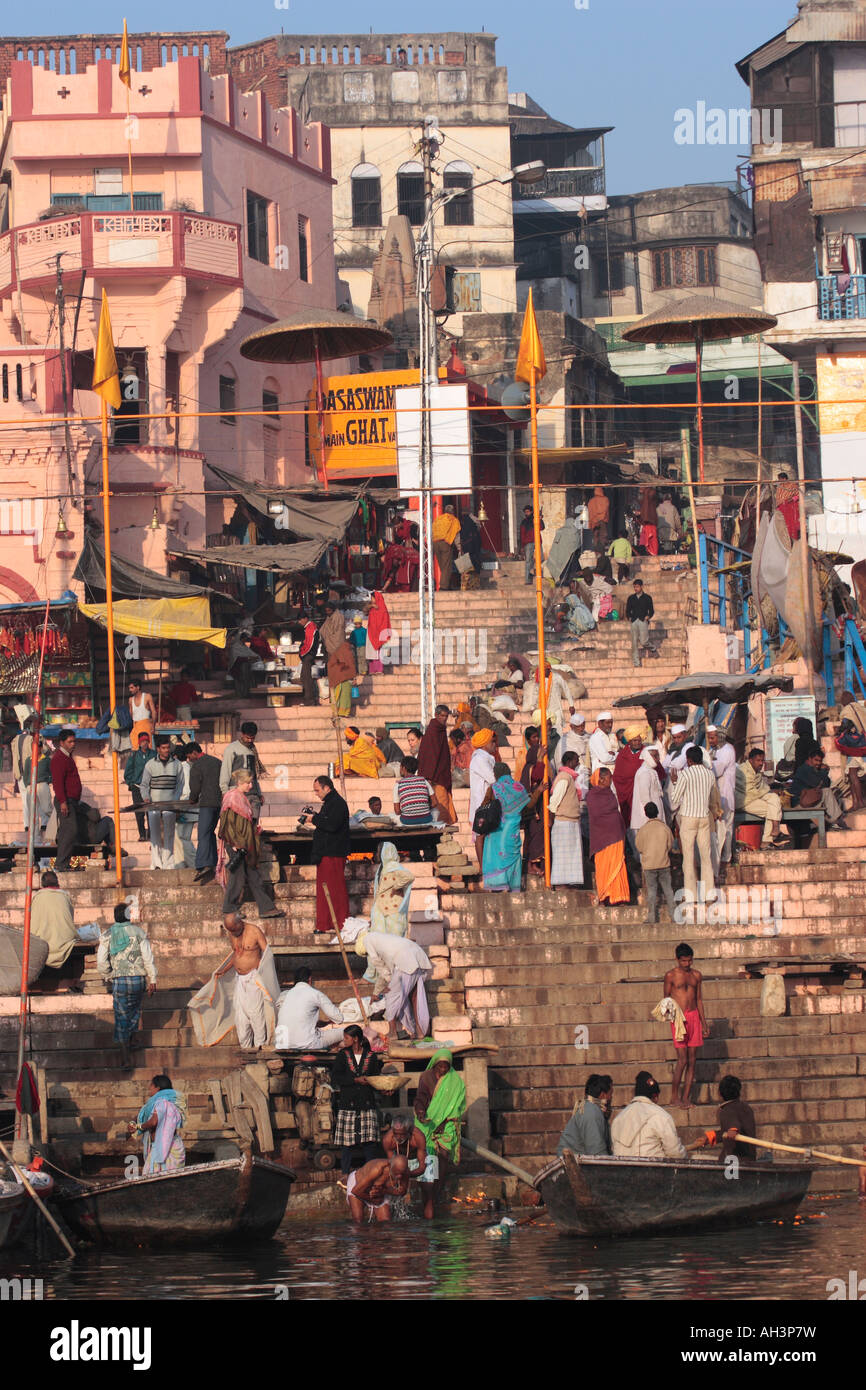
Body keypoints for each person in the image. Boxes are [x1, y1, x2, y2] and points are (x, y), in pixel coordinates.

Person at [217, 769, 284, 919]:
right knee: (237, 876)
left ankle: (266, 907)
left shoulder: (242, 798)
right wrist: (236, 844)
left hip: (245, 844)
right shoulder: (232, 797)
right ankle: (229, 908)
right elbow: (227, 825)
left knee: (253, 875)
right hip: (236, 844)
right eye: (248, 782)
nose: (251, 785)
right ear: (241, 783)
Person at [97, 903, 157, 1069]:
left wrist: (108, 975)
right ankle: (133, 1039)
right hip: (138, 980)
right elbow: (147, 957)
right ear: (128, 916)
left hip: (120, 980)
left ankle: (125, 1057)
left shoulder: (108, 934)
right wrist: (152, 978)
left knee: (122, 1017)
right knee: (135, 1010)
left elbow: (101, 962)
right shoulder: (138, 932)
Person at [51, 729, 118, 873]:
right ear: (62, 743)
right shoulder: (58, 759)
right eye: (70, 742)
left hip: (73, 801)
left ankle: (63, 863)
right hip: (65, 800)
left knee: (70, 829)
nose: (73, 744)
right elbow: (57, 783)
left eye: (74, 741)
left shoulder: (68, 757)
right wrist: (63, 801)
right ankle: (61, 864)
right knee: (69, 830)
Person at [355, 929, 432, 1042]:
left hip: (405, 959)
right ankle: (420, 1031)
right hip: (418, 955)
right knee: (414, 997)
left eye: (366, 954)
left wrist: (388, 983)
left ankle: (392, 1032)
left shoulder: (367, 940)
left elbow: (378, 964)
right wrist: (376, 992)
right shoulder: (382, 939)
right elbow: (385, 971)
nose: (368, 955)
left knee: (390, 996)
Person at [413, 1050, 466, 1207]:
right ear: (435, 1064)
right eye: (440, 1066)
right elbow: (420, 1097)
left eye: (446, 1067)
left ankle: (438, 1188)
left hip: (448, 1121)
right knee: (425, 1151)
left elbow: (457, 1106)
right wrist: (421, 1112)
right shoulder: (426, 1077)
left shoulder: (455, 1081)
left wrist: (443, 1123)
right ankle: (425, 1187)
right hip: (429, 1119)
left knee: (443, 1153)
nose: (443, 1070)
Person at [670, 745, 719, 911]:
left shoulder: (685, 774)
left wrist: (675, 783)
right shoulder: (709, 774)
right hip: (704, 817)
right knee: (706, 857)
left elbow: (675, 798)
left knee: (689, 856)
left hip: (689, 817)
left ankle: (690, 895)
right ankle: (709, 895)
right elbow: (713, 797)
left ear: (689, 760)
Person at [331, 1024, 384, 1175]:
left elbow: (375, 1078)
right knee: (346, 1143)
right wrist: (355, 1080)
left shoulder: (371, 1056)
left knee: (370, 1143)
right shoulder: (342, 1055)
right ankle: (346, 1173)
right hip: (348, 1104)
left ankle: (370, 1172)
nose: (344, 1040)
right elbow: (336, 1077)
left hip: (367, 1103)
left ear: (355, 1039)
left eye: (346, 1038)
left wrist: (383, 1088)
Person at [216, 914, 273, 1050]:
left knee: (256, 1015)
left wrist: (263, 972)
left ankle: (260, 1050)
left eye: (235, 930)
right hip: (239, 979)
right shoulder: (232, 934)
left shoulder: (254, 931)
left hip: (254, 978)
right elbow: (236, 955)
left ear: (240, 922)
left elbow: (267, 953)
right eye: (231, 931)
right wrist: (225, 970)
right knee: (241, 1018)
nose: (234, 933)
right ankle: (246, 1051)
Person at [664, 943, 708, 1107]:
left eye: (689, 961)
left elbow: (699, 1000)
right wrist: (673, 1019)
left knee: (692, 1060)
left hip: (694, 1017)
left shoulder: (697, 975)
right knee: (682, 1060)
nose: (687, 964)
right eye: (683, 961)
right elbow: (666, 1000)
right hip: (678, 1019)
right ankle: (675, 1097)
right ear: (677, 959)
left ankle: (686, 1098)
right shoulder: (670, 976)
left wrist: (704, 1023)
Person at [610, 1071, 687, 1158]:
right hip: (651, 1170)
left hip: (621, 1170)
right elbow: (676, 1153)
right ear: (655, 1096)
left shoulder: (618, 1119)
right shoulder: (661, 1116)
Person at [481, 760, 531, 891]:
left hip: (496, 831)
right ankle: (512, 885)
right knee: (513, 857)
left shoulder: (493, 788)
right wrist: (538, 791)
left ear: (496, 774)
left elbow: (484, 806)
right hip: (512, 832)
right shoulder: (518, 787)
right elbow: (529, 805)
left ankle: (497, 886)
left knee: (496, 857)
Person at [311, 774, 351, 934]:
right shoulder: (331, 802)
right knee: (325, 890)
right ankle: (324, 923)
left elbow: (332, 825)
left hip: (333, 853)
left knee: (336, 889)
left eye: (317, 790)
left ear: (327, 788)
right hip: (327, 852)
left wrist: (314, 819)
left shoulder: (337, 803)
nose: (316, 793)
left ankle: (341, 923)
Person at [139, 735, 184, 871]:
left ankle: (169, 863)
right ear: (158, 749)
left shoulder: (177, 764)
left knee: (170, 833)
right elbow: (144, 785)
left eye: (167, 747)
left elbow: (180, 784)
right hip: (154, 805)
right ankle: (156, 863)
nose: (166, 750)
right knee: (155, 834)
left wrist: (174, 800)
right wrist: (146, 797)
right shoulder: (150, 764)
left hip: (170, 804)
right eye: (163, 748)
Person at [274, 965, 345, 1049]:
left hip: (281, 1044)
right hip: (308, 1044)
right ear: (310, 979)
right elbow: (339, 1018)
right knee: (348, 1032)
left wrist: (326, 1023)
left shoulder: (284, 995)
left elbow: (295, 1019)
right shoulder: (315, 993)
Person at [586, 767, 629, 905]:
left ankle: (619, 896)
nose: (611, 779)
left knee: (618, 864)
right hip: (602, 837)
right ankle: (606, 894)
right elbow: (597, 815)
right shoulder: (592, 795)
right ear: (601, 779)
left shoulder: (610, 793)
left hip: (615, 834)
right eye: (609, 777)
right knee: (604, 865)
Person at [692, 1074, 757, 1162]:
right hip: (749, 1158)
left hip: (735, 1161)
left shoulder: (727, 1110)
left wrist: (733, 1130)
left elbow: (734, 1126)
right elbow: (725, 1132)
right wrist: (709, 1138)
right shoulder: (746, 1107)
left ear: (719, 1093)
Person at [381, 1112, 434, 1218]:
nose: (399, 1137)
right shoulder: (387, 1140)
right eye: (396, 1134)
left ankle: (429, 1225)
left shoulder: (418, 1137)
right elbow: (392, 1167)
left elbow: (422, 1167)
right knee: (394, 1188)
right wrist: (399, 1177)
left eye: (402, 1134)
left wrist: (407, 1174)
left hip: (419, 1159)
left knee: (428, 1193)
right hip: (399, 1161)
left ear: (409, 1131)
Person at [131, 1074, 186, 1175]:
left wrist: (139, 1126)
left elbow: (153, 1122)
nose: (149, 1087)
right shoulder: (155, 1104)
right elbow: (139, 1117)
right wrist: (133, 1123)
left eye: (151, 1085)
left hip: (168, 1148)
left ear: (157, 1087)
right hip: (159, 1146)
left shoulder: (162, 1102)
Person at [735, 747, 789, 847]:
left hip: (755, 798)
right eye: (758, 760)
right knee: (772, 809)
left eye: (762, 761)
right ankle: (768, 839)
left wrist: (770, 791)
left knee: (774, 798)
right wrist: (767, 791)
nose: (761, 763)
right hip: (744, 801)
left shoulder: (757, 772)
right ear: (751, 760)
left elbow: (762, 788)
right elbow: (751, 792)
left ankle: (774, 830)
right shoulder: (742, 771)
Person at [30, 870, 78, 980]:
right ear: (57, 882)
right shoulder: (65, 896)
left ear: (42, 884)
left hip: (40, 939)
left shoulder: (36, 897)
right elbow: (70, 918)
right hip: (64, 939)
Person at [635, 802, 677, 924]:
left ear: (646, 814)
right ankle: (674, 916)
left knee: (652, 892)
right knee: (668, 890)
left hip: (649, 865)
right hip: (663, 863)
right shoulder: (664, 828)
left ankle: (652, 917)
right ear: (657, 812)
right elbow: (670, 845)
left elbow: (639, 847)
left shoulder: (643, 830)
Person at [791, 749, 850, 833]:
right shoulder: (804, 769)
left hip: (810, 800)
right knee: (827, 792)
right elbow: (816, 783)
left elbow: (826, 784)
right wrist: (823, 771)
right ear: (810, 759)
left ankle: (835, 821)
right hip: (800, 803)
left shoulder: (814, 769)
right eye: (816, 760)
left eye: (820, 761)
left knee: (828, 792)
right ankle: (836, 821)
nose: (818, 763)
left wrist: (823, 771)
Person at [187, 742, 222, 884]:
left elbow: (195, 788)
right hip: (220, 803)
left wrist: (192, 799)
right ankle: (212, 861)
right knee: (210, 832)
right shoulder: (217, 762)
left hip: (207, 803)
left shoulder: (197, 766)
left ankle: (202, 864)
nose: (189, 760)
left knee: (203, 833)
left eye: (189, 756)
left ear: (194, 752)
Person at [547, 751, 584, 886]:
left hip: (572, 820)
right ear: (569, 762)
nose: (578, 763)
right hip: (563, 821)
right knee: (563, 855)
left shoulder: (569, 777)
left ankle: (571, 882)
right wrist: (550, 818)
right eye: (576, 760)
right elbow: (555, 800)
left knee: (572, 854)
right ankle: (561, 883)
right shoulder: (564, 777)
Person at [556, 1074, 613, 1157]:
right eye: (610, 1094)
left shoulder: (588, 1108)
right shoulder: (592, 1112)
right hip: (572, 1165)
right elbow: (597, 1153)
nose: (611, 1097)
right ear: (603, 1095)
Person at [418, 704, 456, 825]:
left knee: (443, 802)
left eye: (446, 716)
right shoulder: (434, 730)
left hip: (441, 774)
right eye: (442, 716)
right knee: (440, 805)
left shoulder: (440, 729)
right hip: (434, 777)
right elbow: (430, 755)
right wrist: (429, 777)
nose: (444, 719)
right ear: (436, 715)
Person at [220, 722, 265, 822]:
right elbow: (225, 771)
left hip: (252, 794)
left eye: (252, 738)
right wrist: (224, 792)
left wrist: (259, 793)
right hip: (236, 794)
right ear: (242, 734)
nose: (250, 740)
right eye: (247, 738)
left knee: (253, 824)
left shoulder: (252, 750)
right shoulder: (231, 749)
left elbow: (254, 774)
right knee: (240, 826)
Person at [346, 1154, 410, 1224]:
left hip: (379, 1192)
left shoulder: (405, 1172)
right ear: (390, 1166)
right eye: (397, 1173)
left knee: (386, 1222)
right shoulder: (378, 1169)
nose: (399, 1176)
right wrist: (375, 1201)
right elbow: (356, 1191)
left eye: (402, 1173)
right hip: (357, 1185)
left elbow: (402, 1192)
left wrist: (384, 1191)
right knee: (358, 1221)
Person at [706, 725, 736, 869]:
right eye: (709, 737)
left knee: (727, 828)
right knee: (717, 829)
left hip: (725, 795)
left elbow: (716, 770)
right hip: (715, 797)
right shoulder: (714, 750)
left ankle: (726, 857)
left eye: (712, 737)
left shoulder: (727, 750)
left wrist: (705, 762)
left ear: (720, 736)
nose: (710, 741)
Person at [370, 841, 414, 934]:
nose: (377, 854)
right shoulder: (382, 867)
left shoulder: (393, 865)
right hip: (381, 907)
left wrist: (396, 886)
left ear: (385, 852)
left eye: (379, 851)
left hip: (392, 907)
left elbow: (409, 877)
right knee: (382, 938)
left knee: (394, 938)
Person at [320, 602, 355, 716]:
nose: (327, 613)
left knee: (344, 690)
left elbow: (338, 635)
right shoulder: (329, 618)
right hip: (336, 668)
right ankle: (336, 709)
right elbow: (323, 631)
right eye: (326, 611)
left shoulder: (339, 617)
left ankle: (343, 711)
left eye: (329, 611)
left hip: (344, 676)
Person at [469, 729, 497, 865]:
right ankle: (482, 867)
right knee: (481, 835)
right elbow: (493, 779)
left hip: (489, 803)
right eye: (492, 742)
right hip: (482, 803)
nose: (495, 744)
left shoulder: (486, 758)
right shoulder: (480, 759)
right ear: (485, 744)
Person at [21, 733, 54, 843]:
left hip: (42, 785)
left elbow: (51, 773)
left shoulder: (46, 759)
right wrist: (27, 785)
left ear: (40, 747)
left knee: (47, 809)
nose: (35, 749)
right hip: (31, 786)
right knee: (32, 814)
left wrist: (48, 781)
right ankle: (35, 840)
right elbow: (25, 774)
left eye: (37, 747)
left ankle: (53, 833)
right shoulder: (28, 760)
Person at [124, 731, 155, 842]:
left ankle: (151, 834)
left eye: (146, 741)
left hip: (151, 787)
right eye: (142, 741)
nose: (145, 743)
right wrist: (131, 783)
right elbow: (128, 771)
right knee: (139, 812)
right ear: (139, 743)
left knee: (150, 812)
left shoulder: (153, 754)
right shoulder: (134, 755)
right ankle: (142, 834)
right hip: (137, 786)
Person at [613, 725, 645, 826]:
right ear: (629, 741)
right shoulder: (622, 755)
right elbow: (617, 776)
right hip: (626, 793)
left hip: (642, 792)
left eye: (639, 740)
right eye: (634, 740)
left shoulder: (646, 753)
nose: (637, 743)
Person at [630, 746, 666, 837]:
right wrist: (651, 816)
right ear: (647, 756)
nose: (658, 758)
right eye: (655, 756)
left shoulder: (650, 770)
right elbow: (645, 796)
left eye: (658, 755)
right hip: (647, 817)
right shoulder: (644, 772)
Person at [173, 743, 197, 870]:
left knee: (182, 838)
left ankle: (194, 862)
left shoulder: (183, 769)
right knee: (179, 838)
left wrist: (179, 807)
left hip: (185, 809)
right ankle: (181, 864)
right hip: (188, 809)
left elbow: (186, 791)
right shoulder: (186, 767)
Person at [394, 756, 436, 826]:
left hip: (407, 821)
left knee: (393, 817)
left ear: (403, 768)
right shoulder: (424, 781)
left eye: (400, 767)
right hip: (426, 819)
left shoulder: (398, 784)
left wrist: (409, 812)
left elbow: (397, 811)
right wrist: (424, 809)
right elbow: (434, 803)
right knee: (435, 812)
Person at [625, 578, 656, 668]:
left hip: (643, 620)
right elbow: (627, 610)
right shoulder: (631, 598)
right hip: (634, 621)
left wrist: (648, 617)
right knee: (634, 643)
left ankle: (653, 648)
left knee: (643, 641)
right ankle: (636, 663)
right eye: (634, 587)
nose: (636, 589)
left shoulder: (647, 598)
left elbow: (652, 611)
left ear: (641, 587)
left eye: (637, 587)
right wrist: (629, 617)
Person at [432, 504, 460, 591]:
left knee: (443, 566)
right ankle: (443, 587)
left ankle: (448, 585)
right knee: (446, 566)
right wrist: (459, 547)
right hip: (445, 544)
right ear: (453, 511)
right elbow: (456, 535)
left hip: (435, 543)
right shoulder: (454, 520)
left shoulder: (438, 519)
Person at [299, 612, 324, 706]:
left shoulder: (311, 628)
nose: (299, 622)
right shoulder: (309, 627)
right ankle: (308, 698)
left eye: (300, 620)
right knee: (304, 676)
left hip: (308, 655)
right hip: (309, 654)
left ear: (305, 618)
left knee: (306, 678)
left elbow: (309, 643)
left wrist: (303, 653)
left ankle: (309, 700)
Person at [365, 591, 392, 674]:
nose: (371, 599)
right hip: (371, 632)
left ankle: (379, 670)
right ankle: (372, 670)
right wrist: (371, 606)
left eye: (372, 598)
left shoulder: (383, 608)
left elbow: (384, 621)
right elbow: (364, 611)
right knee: (372, 652)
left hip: (379, 633)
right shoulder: (371, 607)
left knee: (379, 652)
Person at [127, 679, 156, 745]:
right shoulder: (130, 700)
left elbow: (154, 712)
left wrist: (153, 726)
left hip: (145, 727)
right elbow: (130, 715)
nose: (130, 690)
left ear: (138, 687)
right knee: (135, 749)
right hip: (135, 728)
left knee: (146, 747)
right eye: (129, 688)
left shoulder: (147, 696)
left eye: (132, 688)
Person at [458, 511, 483, 586]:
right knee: (475, 569)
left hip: (465, 550)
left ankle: (465, 585)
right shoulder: (474, 529)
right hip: (474, 551)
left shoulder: (462, 526)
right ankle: (475, 585)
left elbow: (459, 539)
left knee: (465, 571)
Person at [774, 471, 800, 542]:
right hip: (782, 508)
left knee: (791, 525)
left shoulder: (793, 485)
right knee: (782, 524)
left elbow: (798, 494)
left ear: (784, 478)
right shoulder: (779, 487)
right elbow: (778, 498)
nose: (779, 481)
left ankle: (793, 540)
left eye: (780, 479)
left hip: (790, 507)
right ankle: (784, 540)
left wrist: (791, 499)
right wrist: (778, 507)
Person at [520, 504, 542, 585]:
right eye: (525, 512)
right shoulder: (524, 522)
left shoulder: (536, 519)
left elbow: (542, 527)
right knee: (528, 561)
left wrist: (540, 519)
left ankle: (538, 575)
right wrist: (522, 546)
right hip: (528, 543)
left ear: (531, 512)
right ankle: (527, 580)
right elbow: (522, 535)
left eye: (528, 512)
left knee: (541, 558)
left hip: (537, 542)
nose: (526, 513)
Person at [587, 485, 610, 550]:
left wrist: (590, 524)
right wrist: (601, 519)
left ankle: (595, 550)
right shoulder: (605, 499)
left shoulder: (591, 501)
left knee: (595, 536)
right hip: (602, 521)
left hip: (593, 522)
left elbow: (589, 513)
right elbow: (605, 511)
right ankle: (601, 551)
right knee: (603, 536)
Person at [638, 485, 659, 556]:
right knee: (649, 539)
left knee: (651, 539)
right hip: (647, 521)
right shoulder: (645, 495)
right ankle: (650, 552)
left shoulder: (650, 492)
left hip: (649, 520)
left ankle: (652, 552)